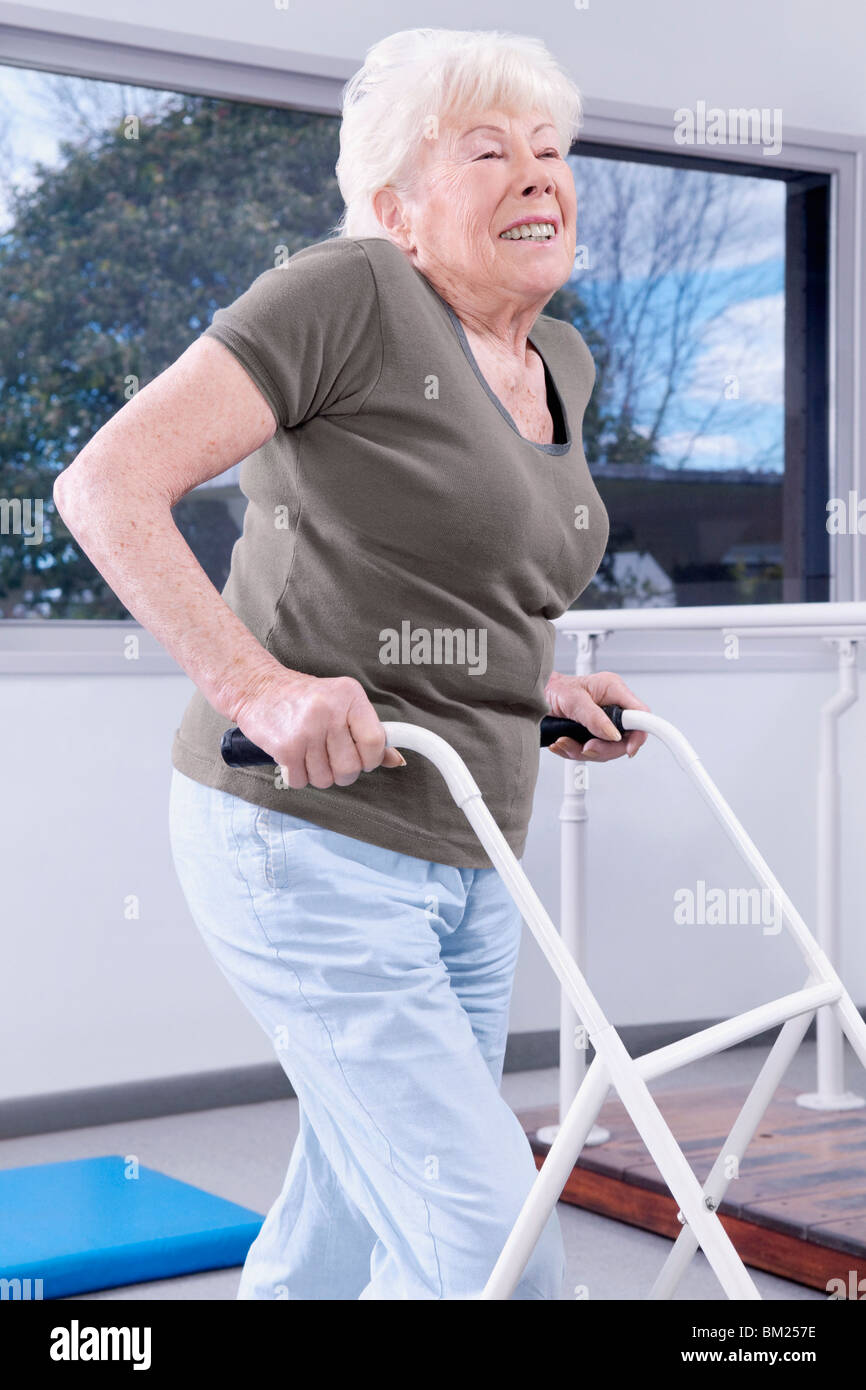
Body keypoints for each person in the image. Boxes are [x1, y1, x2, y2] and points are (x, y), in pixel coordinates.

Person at [53, 26, 649, 1299]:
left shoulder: (564, 362)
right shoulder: (350, 294)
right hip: (306, 839)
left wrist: (533, 689)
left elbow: (454, 584)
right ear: (397, 209)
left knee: (349, 1211)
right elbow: (104, 484)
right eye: (487, 150)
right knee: (492, 1239)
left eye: (551, 149)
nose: (538, 173)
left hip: (474, 850)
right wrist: (257, 689)